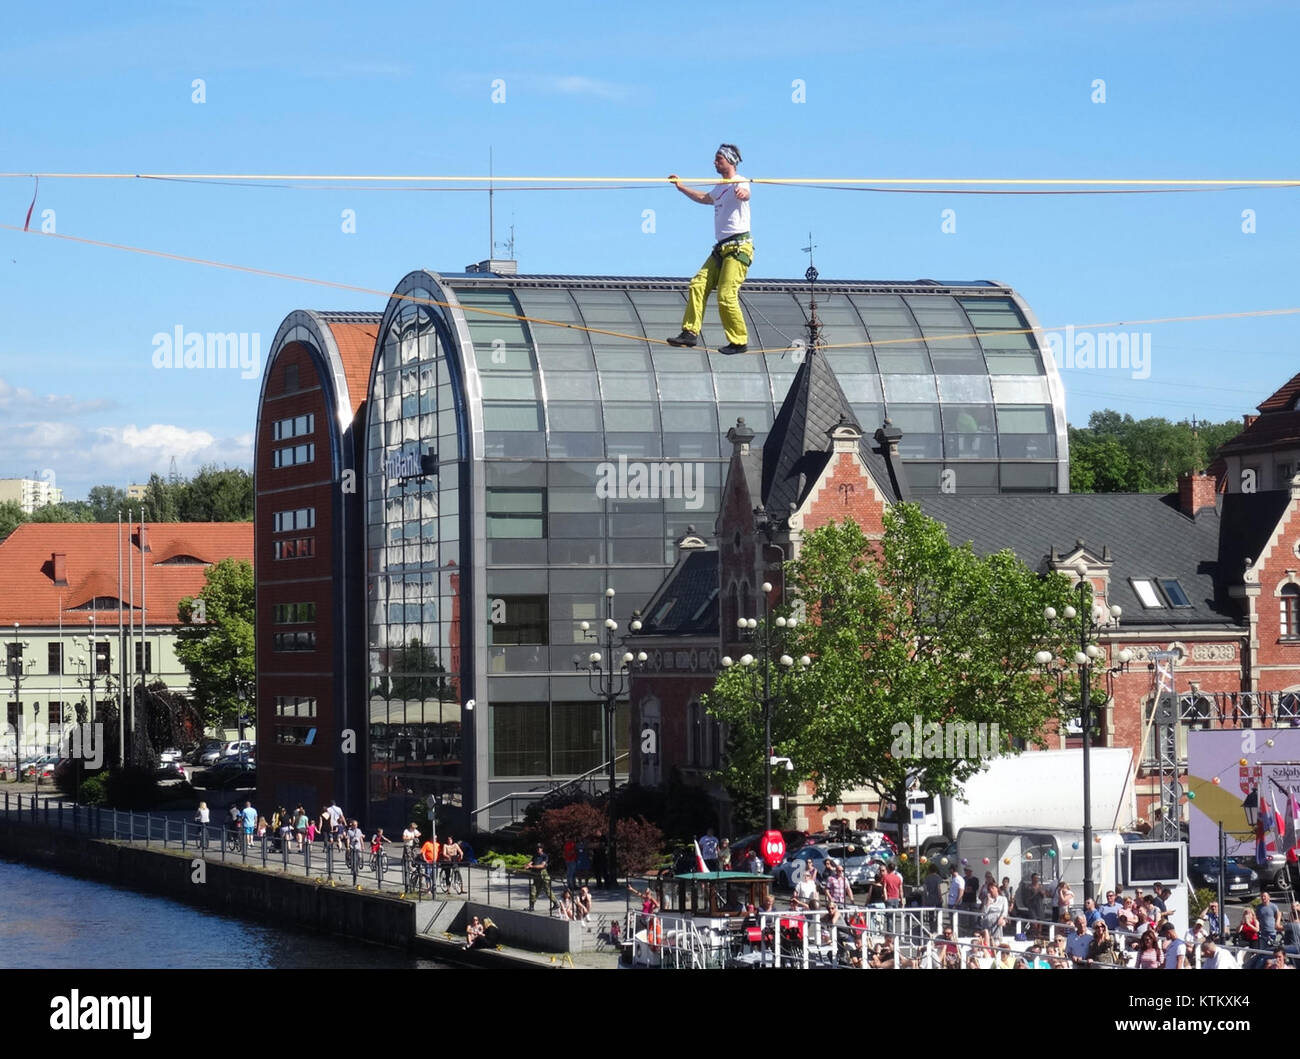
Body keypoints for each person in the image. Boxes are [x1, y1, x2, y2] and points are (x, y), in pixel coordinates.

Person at [666, 144, 753, 355]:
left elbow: (745, 192)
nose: (715, 162)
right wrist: (681, 187)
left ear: (730, 161)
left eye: (719, 159)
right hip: (721, 249)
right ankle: (690, 333)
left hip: (738, 247)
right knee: (697, 284)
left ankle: (739, 340)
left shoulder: (738, 181)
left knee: (726, 295)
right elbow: (704, 198)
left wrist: (742, 193)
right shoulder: (720, 187)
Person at [525, 844, 556, 913]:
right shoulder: (535, 856)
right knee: (534, 890)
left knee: (547, 890)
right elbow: (531, 862)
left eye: (539, 848)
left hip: (543, 874)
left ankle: (556, 903)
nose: (538, 849)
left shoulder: (545, 856)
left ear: (542, 849)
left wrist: (532, 866)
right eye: (537, 848)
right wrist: (527, 865)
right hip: (536, 875)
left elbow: (542, 866)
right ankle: (531, 906)